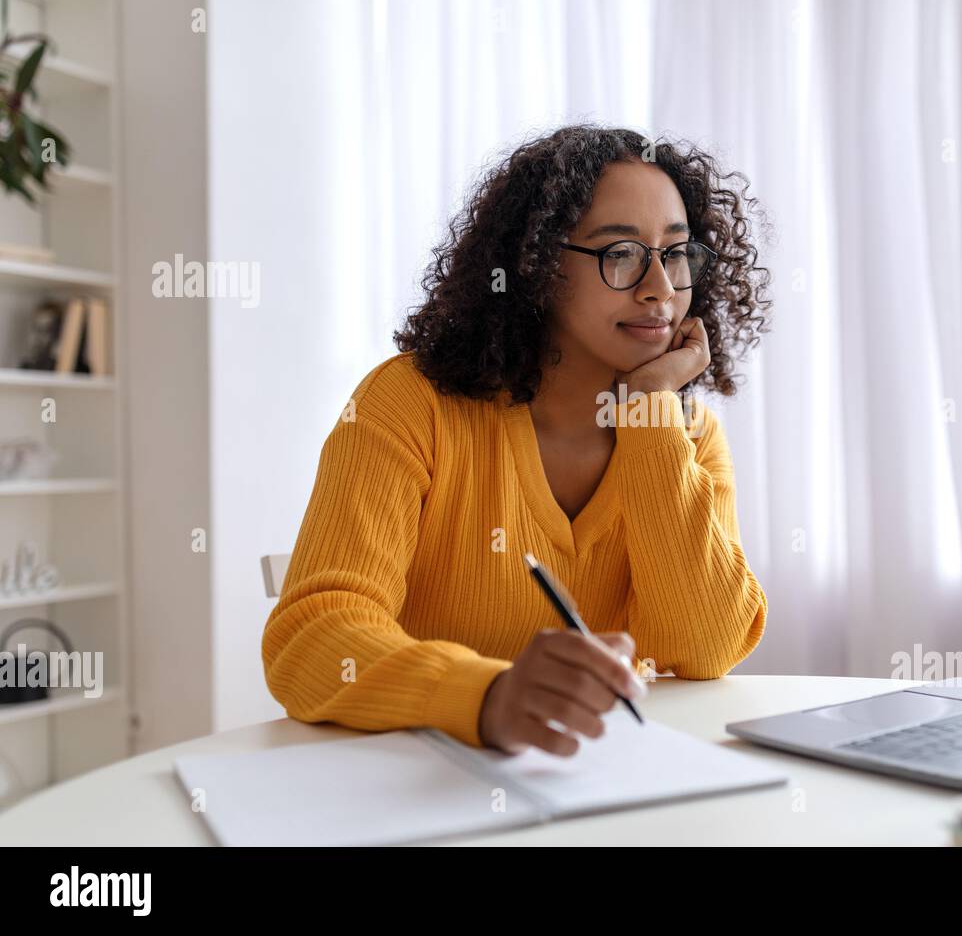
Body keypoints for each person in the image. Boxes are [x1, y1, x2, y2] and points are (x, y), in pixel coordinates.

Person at [262, 125, 773, 756]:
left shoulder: (684, 433)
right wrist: (488, 696)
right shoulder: (410, 404)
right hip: (420, 779)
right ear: (535, 267)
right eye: (619, 253)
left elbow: (703, 649)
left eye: (674, 253)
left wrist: (647, 413)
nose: (661, 288)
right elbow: (310, 639)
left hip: (597, 781)